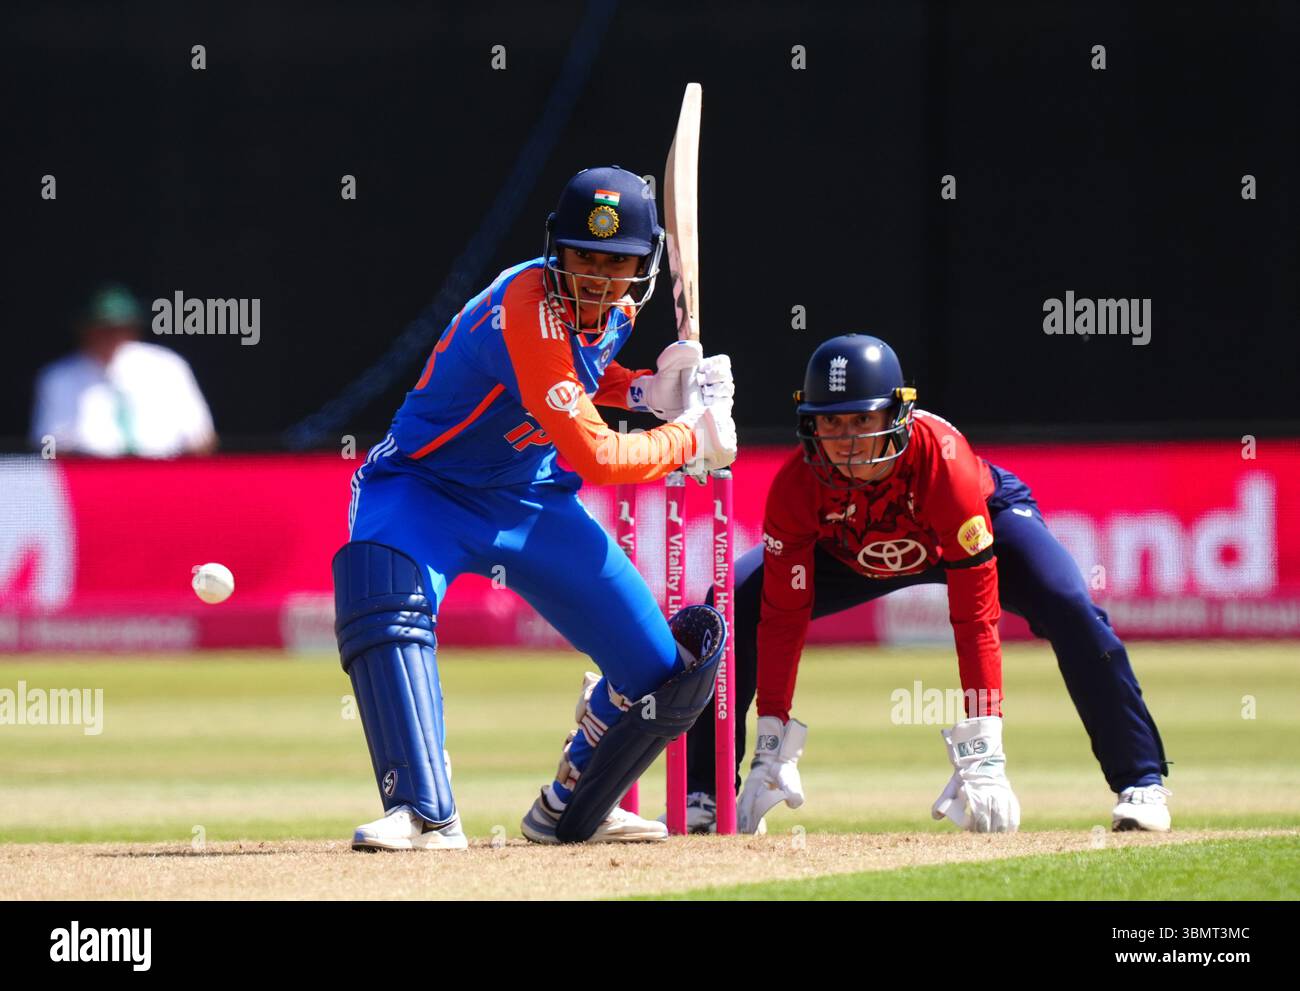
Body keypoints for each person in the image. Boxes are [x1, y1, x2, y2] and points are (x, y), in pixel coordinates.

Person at [334, 166, 737, 850]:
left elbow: (579, 370)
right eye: (585, 257)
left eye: (619, 263)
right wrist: (688, 436)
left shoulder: (620, 305)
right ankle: (423, 812)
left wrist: (646, 392)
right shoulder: (526, 304)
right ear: (556, 250)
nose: (599, 278)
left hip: (527, 495)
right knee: (382, 592)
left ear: (645, 263)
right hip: (423, 488)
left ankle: (575, 800)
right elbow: (599, 458)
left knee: (664, 674)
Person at [681, 333, 1171, 834]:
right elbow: (782, 622)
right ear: (809, 421)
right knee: (729, 605)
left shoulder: (943, 462)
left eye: (862, 421)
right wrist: (772, 739)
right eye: (831, 421)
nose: (846, 441)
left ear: (896, 415)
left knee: (1068, 604)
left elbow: (975, 617)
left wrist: (984, 751)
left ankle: (1141, 781)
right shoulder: (796, 487)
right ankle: (705, 793)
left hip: (973, 525)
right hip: (849, 549)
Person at [30, 283, 217, 457]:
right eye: (103, 328)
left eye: (120, 327)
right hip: (89, 478)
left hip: (164, 473)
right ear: (85, 330)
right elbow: (45, 445)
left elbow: (203, 438)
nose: (111, 336)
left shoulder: (168, 367)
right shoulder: (57, 378)